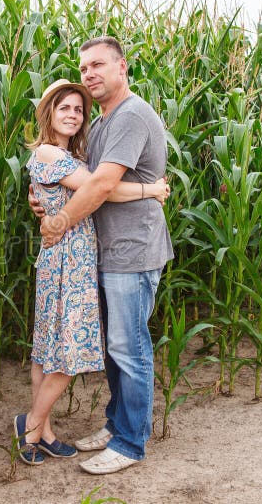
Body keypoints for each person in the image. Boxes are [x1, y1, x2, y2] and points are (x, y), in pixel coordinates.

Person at [32, 36, 174, 474]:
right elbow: (78, 178)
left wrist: (57, 223)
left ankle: (131, 443)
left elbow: (102, 186)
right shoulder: (100, 122)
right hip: (106, 253)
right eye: (84, 68)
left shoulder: (131, 115)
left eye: (98, 65)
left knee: (129, 348)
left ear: (122, 67)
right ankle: (117, 425)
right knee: (116, 348)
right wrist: (44, 203)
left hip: (133, 251)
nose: (90, 73)